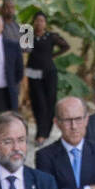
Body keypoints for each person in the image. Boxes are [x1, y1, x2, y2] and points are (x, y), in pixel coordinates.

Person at [26, 11, 70, 145]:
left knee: (49, 102)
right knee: (38, 102)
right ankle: (40, 131)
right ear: (33, 22)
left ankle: (45, 132)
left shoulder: (51, 36)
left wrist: (53, 56)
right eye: (37, 20)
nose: (39, 23)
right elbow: (22, 50)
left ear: (45, 23)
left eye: (42, 21)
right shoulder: (28, 35)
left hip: (49, 73)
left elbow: (66, 46)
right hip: (33, 72)